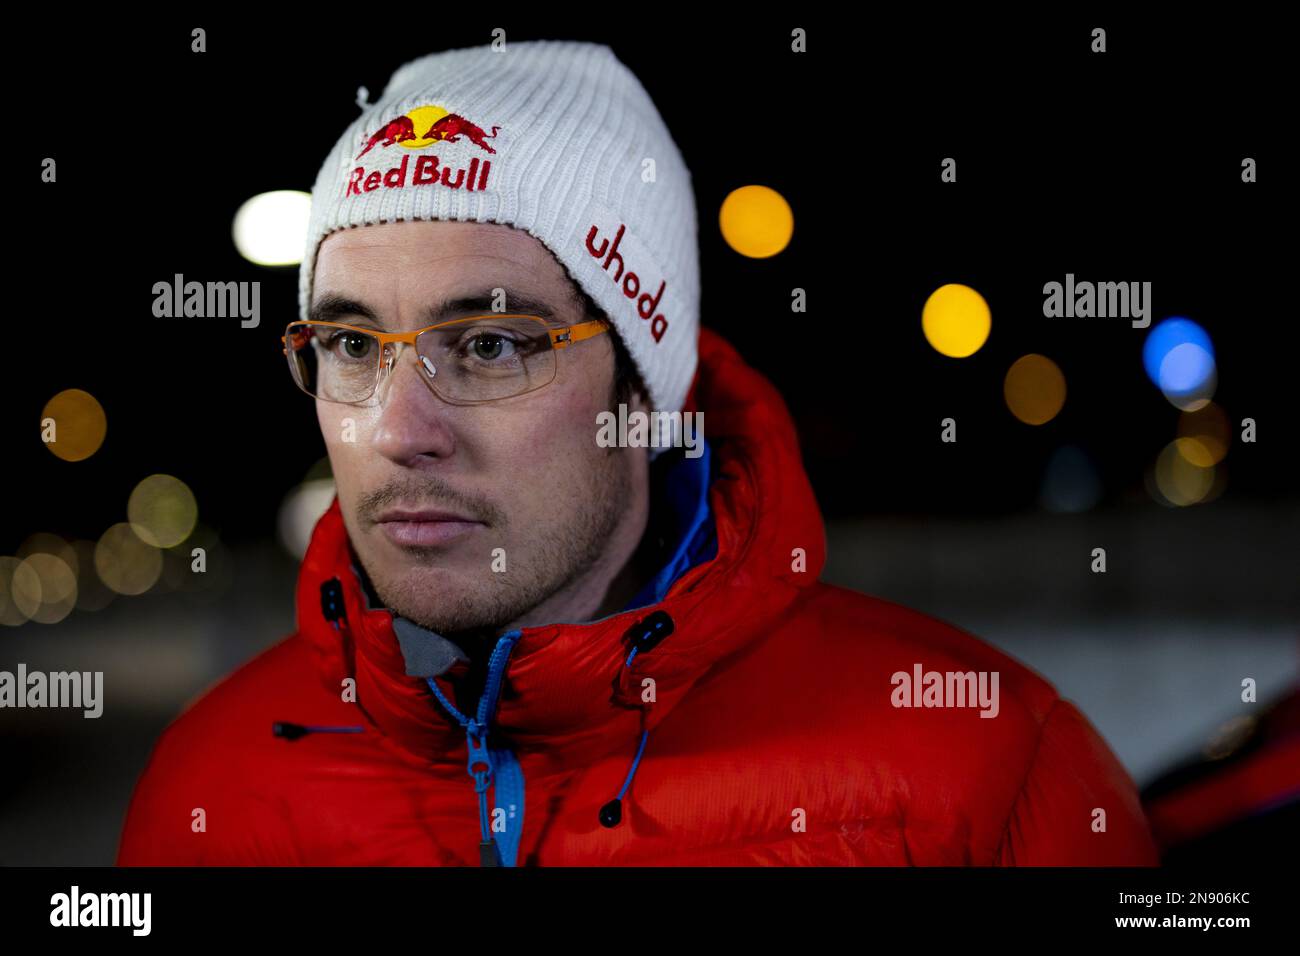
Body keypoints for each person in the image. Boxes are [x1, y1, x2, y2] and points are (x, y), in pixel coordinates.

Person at [117, 40, 1158, 866]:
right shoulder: (204, 789)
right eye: (350, 344)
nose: (396, 429)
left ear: (646, 392)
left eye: (487, 344)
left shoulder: (989, 773)